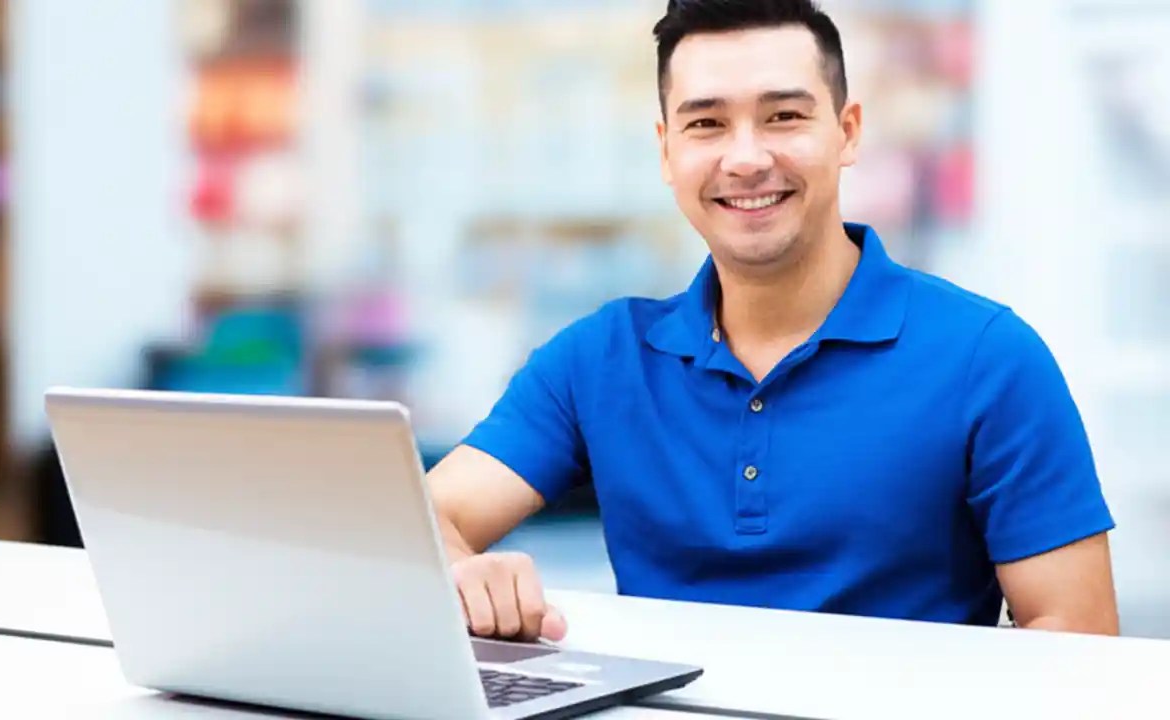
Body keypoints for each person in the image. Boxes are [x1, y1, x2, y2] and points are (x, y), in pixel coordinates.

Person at [427, 0, 1118, 642]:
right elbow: (425, 517)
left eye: (783, 116)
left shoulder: (988, 359)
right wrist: (465, 575)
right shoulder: (599, 359)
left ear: (847, 132)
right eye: (706, 124)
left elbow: (1077, 641)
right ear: (667, 151)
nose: (747, 158)